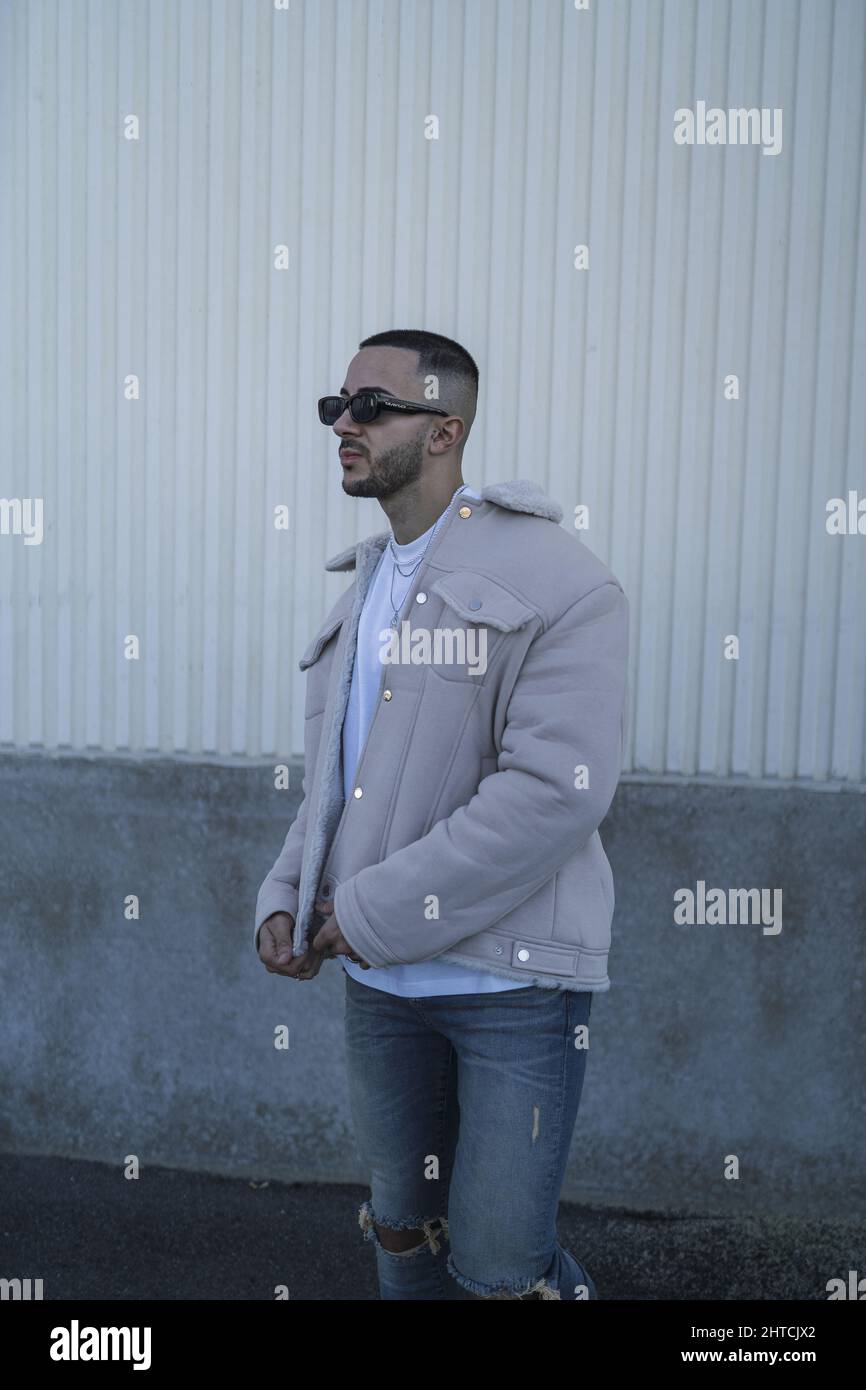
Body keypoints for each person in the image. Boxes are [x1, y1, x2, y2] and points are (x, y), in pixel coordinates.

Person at [254, 329, 629, 1300]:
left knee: (501, 1267)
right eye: (335, 405)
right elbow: (337, 780)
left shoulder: (560, 579)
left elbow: (555, 791)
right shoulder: (368, 582)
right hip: (382, 989)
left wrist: (367, 911)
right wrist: (287, 893)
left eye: (371, 407)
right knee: (401, 1235)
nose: (343, 424)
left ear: (444, 429)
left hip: (512, 989)